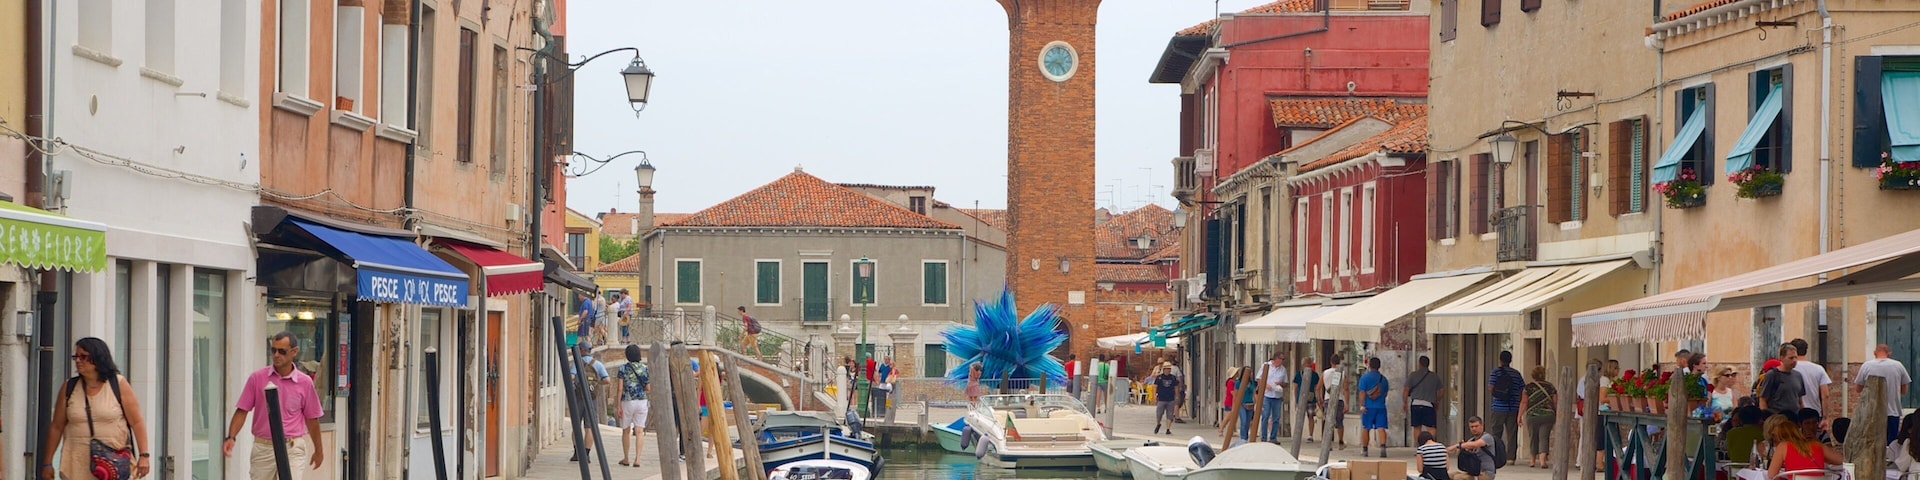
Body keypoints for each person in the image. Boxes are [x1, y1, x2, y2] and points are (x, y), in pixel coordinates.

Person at [43, 338, 152, 480]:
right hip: (76, 463)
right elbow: (56, 427)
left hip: (112, 463)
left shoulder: (117, 384)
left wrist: (144, 455)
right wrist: (47, 463)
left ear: (98, 358)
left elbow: (137, 422)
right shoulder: (69, 387)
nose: (78, 361)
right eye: (76, 357)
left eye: (83, 357)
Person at [220, 332, 323, 480]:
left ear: (294, 352)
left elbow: (312, 419)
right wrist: (231, 437)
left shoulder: (305, 382)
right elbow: (242, 410)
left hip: (292, 447)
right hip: (263, 448)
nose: (276, 355)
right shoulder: (257, 378)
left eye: (282, 351)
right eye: (273, 350)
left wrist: (319, 450)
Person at [1855, 343, 1912, 445]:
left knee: (1873, 443)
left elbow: (1858, 389)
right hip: (1892, 411)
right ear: (1889, 353)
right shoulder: (1898, 365)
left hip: (1872, 412)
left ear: (1874, 353)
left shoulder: (1866, 366)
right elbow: (1904, 390)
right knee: (1891, 445)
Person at [1765, 412, 1842, 480]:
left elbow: (1771, 475)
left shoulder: (1783, 446)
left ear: (1780, 437)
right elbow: (1842, 461)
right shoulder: (1818, 445)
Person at [613, 345, 649, 468]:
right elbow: (648, 388)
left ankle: (626, 458)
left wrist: (618, 405)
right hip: (641, 401)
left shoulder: (623, 368)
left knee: (626, 431)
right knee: (640, 431)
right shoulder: (644, 368)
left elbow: (619, 388)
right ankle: (638, 459)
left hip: (627, 401)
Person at [1485, 351, 1523, 464]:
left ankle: (1496, 455)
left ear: (1500, 360)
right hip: (1513, 407)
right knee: (1512, 433)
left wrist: (1500, 393)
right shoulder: (1516, 374)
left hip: (1498, 407)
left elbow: (1490, 388)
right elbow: (1522, 390)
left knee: (1496, 432)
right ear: (1510, 360)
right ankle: (1511, 457)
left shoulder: (1495, 372)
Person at [1520, 366, 1557, 468]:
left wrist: (1519, 416)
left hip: (1532, 415)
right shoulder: (1551, 387)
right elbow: (1555, 402)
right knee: (1544, 437)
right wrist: (1556, 413)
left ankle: (1532, 461)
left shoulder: (1528, 387)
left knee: (1533, 437)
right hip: (1547, 415)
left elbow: (1524, 402)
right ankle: (1542, 461)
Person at [1788, 338, 1832, 423]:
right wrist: (1825, 417)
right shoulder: (1818, 369)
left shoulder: (1789, 368)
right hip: (1814, 413)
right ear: (1806, 350)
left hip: (1793, 413)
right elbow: (1825, 395)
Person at [1759, 344, 1806, 415]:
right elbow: (1763, 399)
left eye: (1796, 357)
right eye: (1791, 358)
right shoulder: (1772, 375)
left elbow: (1800, 400)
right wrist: (1766, 418)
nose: (1794, 360)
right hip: (1777, 417)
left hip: (1795, 418)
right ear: (1781, 358)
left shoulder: (1798, 375)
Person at [1447, 416, 1497, 480]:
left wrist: (1458, 446)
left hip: (1486, 473)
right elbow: (1465, 450)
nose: (1474, 429)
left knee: (1458, 478)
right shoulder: (1471, 440)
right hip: (1473, 472)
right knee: (1450, 475)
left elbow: (1475, 445)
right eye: (1472, 427)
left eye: (1476, 426)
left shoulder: (1487, 437)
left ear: (1482, 426)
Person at [1359, 357, 1390, 458]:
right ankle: (1383, 447)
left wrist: (1361, 405)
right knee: (1381, 428)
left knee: (1366, 428)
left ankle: (1365, 449)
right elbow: (1385, 394)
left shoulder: (1364, 378)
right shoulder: (1384, 379)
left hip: (1368, 407)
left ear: (1369, 365)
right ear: (1379, 366)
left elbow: (1362, 392)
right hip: (1380, 406)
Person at [1408, 355, 1444, 438]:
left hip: (1415, 404)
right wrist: (1437, 400)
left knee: (1417, 427)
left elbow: (1406, 389)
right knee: (1431, 427)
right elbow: (1442, 390)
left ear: (1419, 364)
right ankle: (1430, 444)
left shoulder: (1413, 375)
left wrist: (1404, 402)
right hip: (1429, 404)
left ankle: (1419, 446)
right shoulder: (1434, 376)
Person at [1319, 356, 1347, 450]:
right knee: (1339, 422)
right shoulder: (1342, 373)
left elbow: (1318, 387)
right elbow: (1346, 389)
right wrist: (1347, 403)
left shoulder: (1325, 373)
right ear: (1339, 362)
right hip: (1339, 399)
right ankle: (1340, 442)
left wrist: (1320, 399)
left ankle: (1328, 443)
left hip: (1328, 399)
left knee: (1328, 421)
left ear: (1331, 362)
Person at [1260, 352, 1288, 443]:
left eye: (1283, 359)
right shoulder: (1266, 366)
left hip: (1277, 396)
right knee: (1266, 415)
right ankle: (1263, 437)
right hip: (1267, 395)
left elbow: (1286, 383)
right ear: (1276, 358)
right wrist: (1265, 384)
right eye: (1281, 359)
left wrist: (1280, 384)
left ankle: (1273, 437)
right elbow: (1258, 378)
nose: (1282, 361)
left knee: (1276, 417)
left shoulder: (1283, 369)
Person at [1153, 363, 1181, 435]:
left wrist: (1177, 395)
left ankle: (1168, 429)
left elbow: (1176, 387)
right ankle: (1158, 423)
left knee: (1170, 415)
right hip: (1161, 398)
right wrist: (1154, 396)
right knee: (1159, 414)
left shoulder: (1173, 378)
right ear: (1163, 369)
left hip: (1170, 398)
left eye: (1169, 369)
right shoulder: (1159, 378)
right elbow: (1155, 387)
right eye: (1166, 369)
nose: (1168, 370)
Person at [1298, 358, 1320, 442]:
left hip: (1311, 399)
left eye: (1309, 363)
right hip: (1301, 398)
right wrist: (1296, 400)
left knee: (1310, 416)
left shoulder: (1314, 375)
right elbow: (1295, 387)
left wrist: (1318, 398)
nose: (1309, 365)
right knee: (1300, 416)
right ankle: (1298, 434)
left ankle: (1310, 435)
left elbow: (1317, 387)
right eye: (1307, 364)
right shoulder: (1299, 374)